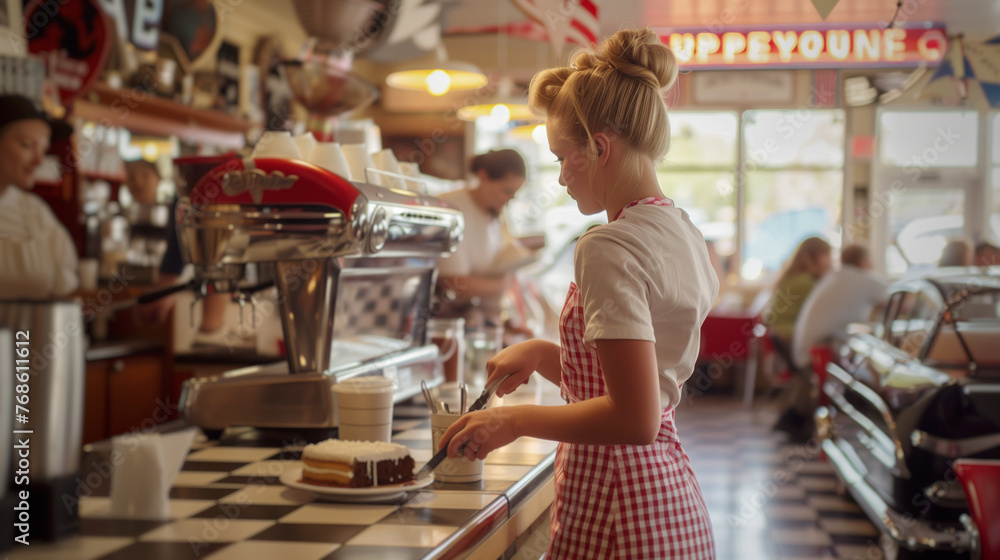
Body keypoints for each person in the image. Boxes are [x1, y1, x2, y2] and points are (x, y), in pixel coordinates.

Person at [441, 29, 717, 558]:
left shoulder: (607, 245)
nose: (563, 176)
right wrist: (545, 355)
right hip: (667, 501)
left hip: (620, 505)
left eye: (563, 157)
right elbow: (641, 376)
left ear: (600, 146)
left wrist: (511, 420)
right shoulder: (681, 229)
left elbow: (633, 419)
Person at [783, 244, 888, 436]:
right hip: (816, 353)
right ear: (864, 262)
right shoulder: (865, 279)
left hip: (804, 348)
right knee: (874, 362)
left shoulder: (834, 276)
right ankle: (877, 423)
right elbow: (898, 304)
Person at [435, 149, 529, 329]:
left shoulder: (496, 214)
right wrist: (502, 284)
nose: (509, 200)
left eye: (514, 194)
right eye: (506, 191)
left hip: (481, 319)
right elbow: (454, 284)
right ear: (483, 176)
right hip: (450, 322)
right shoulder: (451, 207)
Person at [0, 94, 79, 299]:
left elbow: (64, 292)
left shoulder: (36, 213)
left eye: (43, 149)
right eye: (26, 145)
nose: (38, 160)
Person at [764, 236, 832, 440]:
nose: (831, 262)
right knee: (815, 365)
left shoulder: (794, 277)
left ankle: (795, 415)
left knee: (806, 370)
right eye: (829, 256)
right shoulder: (808, 283)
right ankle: (797, 417)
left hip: (780, 336)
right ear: (819, 257)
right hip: (789, 336)